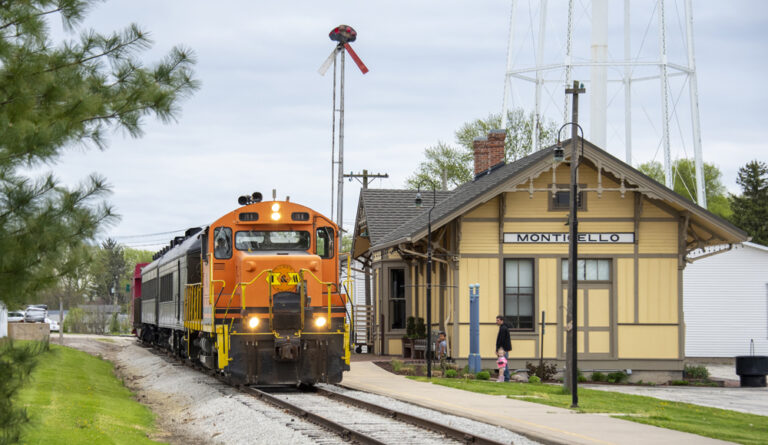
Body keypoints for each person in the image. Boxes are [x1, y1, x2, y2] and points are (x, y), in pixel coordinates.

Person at [495, 315, 511, 382]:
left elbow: (501, 340)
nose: (497, 322)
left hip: (503, 349)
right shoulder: (503, 327)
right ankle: (504, 378)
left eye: (498, 320)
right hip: (504, 349)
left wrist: (498, 349)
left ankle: (506, 378)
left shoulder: (503, 328)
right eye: (496, 320)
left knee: (503, 364)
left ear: (502, 321)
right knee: (504, 364)